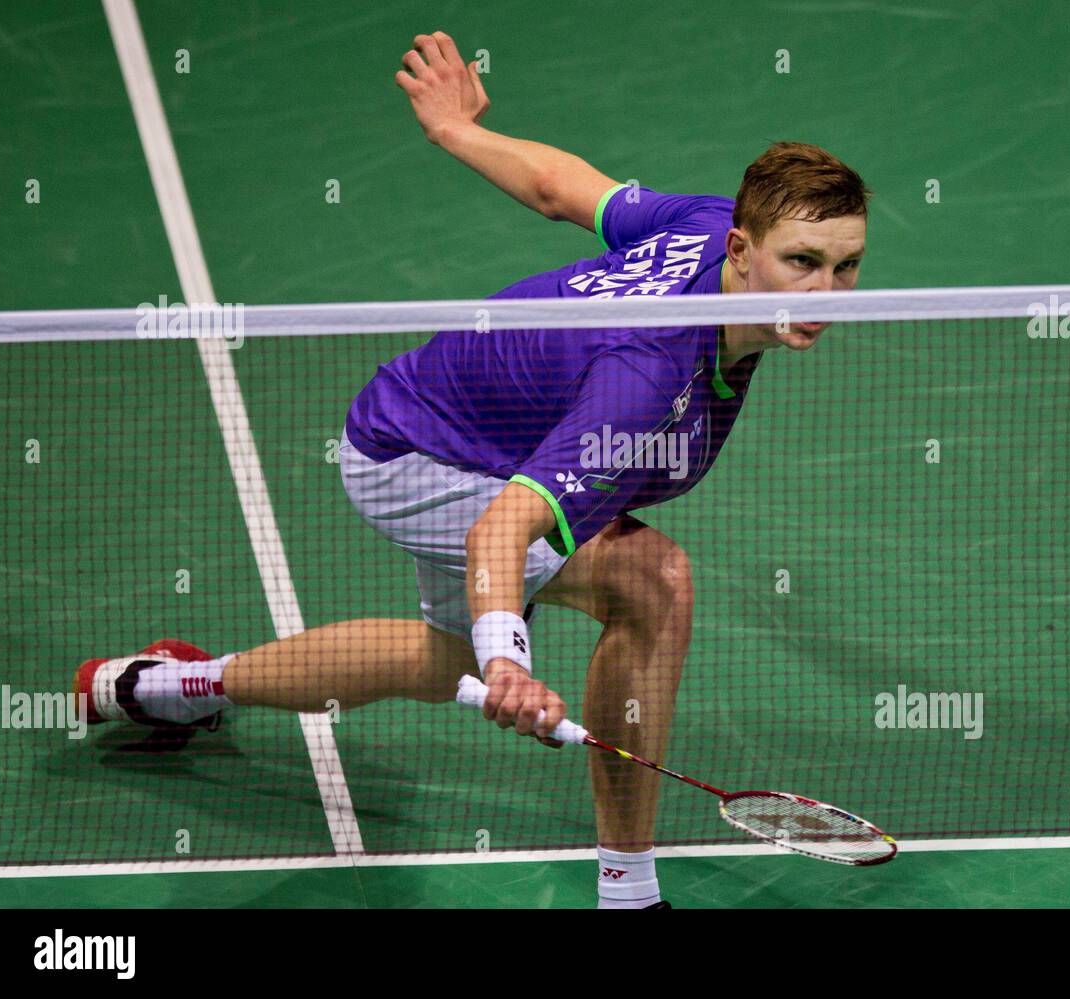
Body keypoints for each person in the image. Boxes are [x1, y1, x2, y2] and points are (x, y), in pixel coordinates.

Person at [75, 30, 870, 909]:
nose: (823, 294)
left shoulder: (697, 229)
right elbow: (501, 525)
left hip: (460, 421)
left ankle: (168, 685)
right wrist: (508, 660)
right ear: (742, 247)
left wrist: (456, 129)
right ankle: (629, 894)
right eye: (803, 264)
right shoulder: (648, 382)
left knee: (434, 657)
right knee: (654, 584)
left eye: (846, 267)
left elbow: (559, 187)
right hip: (421, 458)